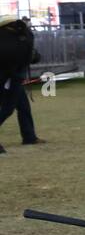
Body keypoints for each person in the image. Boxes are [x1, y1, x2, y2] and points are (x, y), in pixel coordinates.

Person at [0, 15, 44, 153]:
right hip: (10, 77)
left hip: (13, 77)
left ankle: (29, 137)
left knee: (23, 107)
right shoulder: (13, 38)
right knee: (7, 109)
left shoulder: (14, 38)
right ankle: (29, 136)